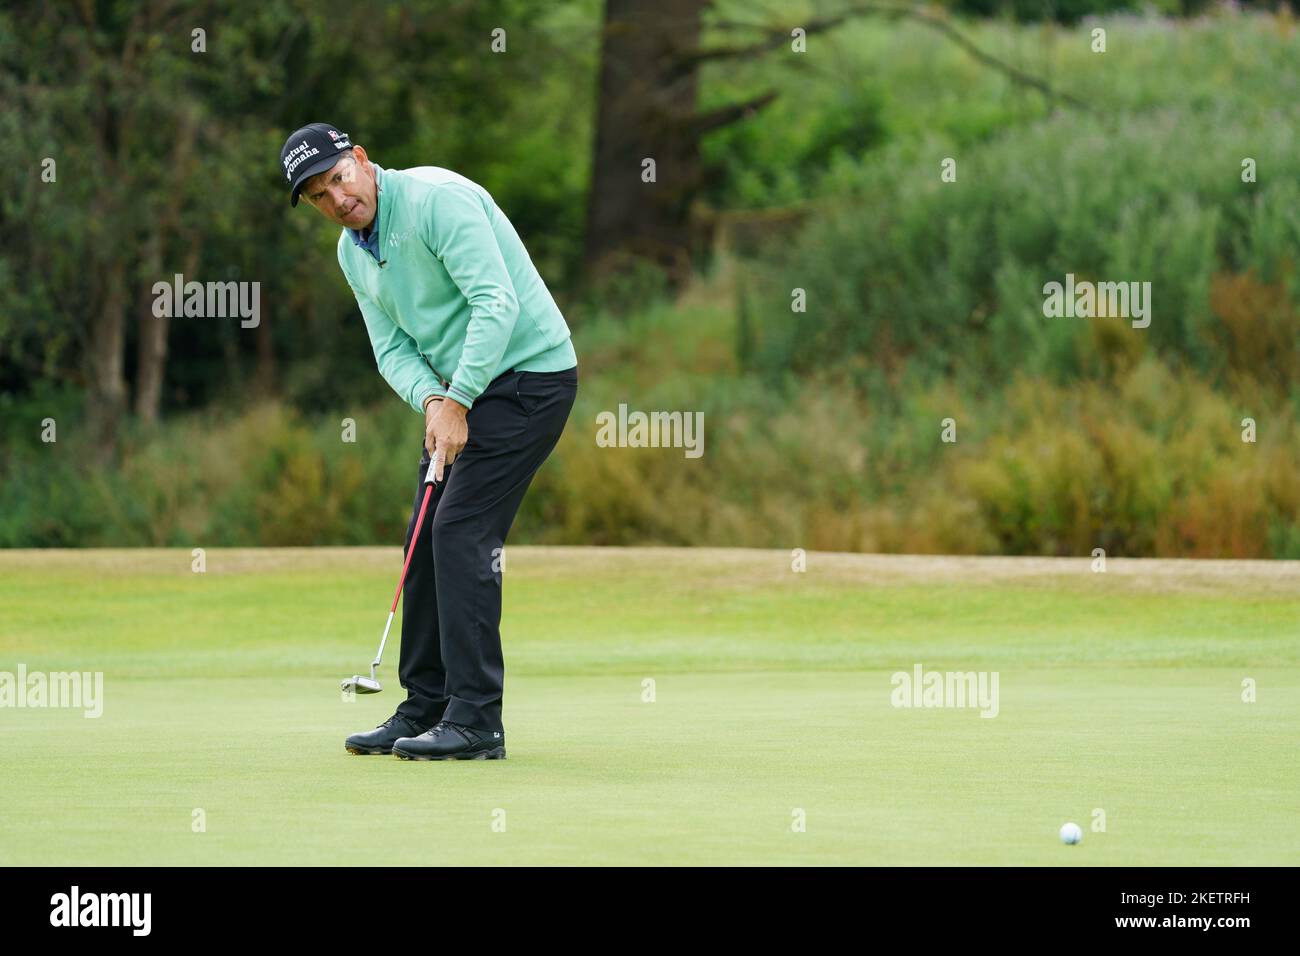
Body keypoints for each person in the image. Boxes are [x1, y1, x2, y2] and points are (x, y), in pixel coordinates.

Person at [279, 123, 578, 760]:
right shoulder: (351, 252)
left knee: (461, 531)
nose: (337, 199)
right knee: (425, 534)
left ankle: (476, 721)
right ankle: (427, 705)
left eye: (339, 178)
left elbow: (494, 302)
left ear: (360, 161)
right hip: (459, 391)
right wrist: (435, 400)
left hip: (531, 377)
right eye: (318, 196)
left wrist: (460, 398)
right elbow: (391, 349)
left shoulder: (436, 200)